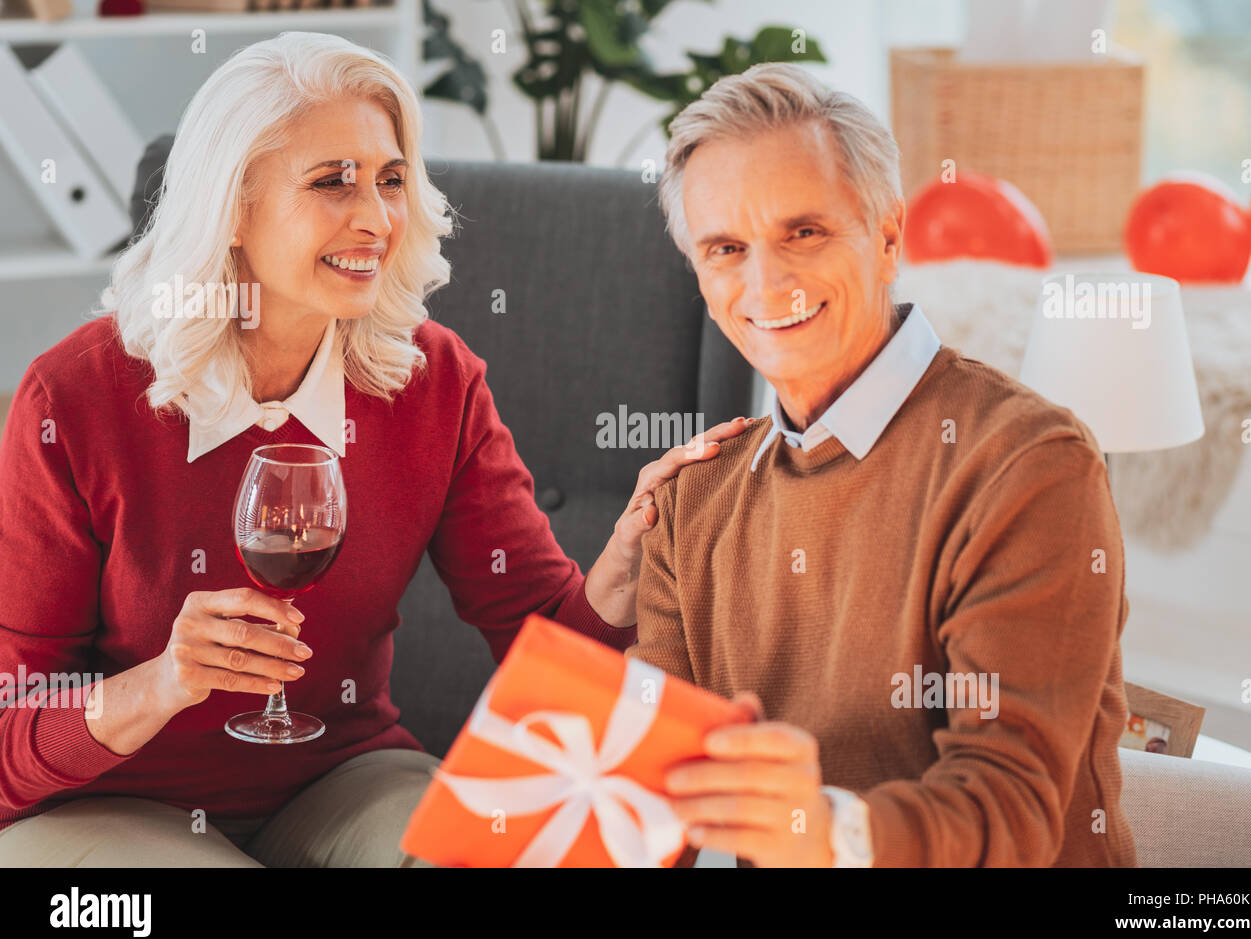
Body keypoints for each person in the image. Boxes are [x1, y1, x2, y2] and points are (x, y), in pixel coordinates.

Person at [0, 32, 746, 867]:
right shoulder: (72, 399)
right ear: (232, 208)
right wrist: (163, 682)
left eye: (391, 180)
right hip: (112, 801)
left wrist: (618, 569)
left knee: (485, 854)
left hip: (342, 775)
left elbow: (540, 639)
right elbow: (11, 729)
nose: (377, 217)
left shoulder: (430, 383)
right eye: (331, 183)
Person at [629, 63, 1139, 867]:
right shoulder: (691, 497)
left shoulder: (1028, 466)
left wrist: (824, 829)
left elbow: (1011, 814)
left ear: (889, 235)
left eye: (805, 231)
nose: (766, 282)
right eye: (725, 247)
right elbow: (648, 795)